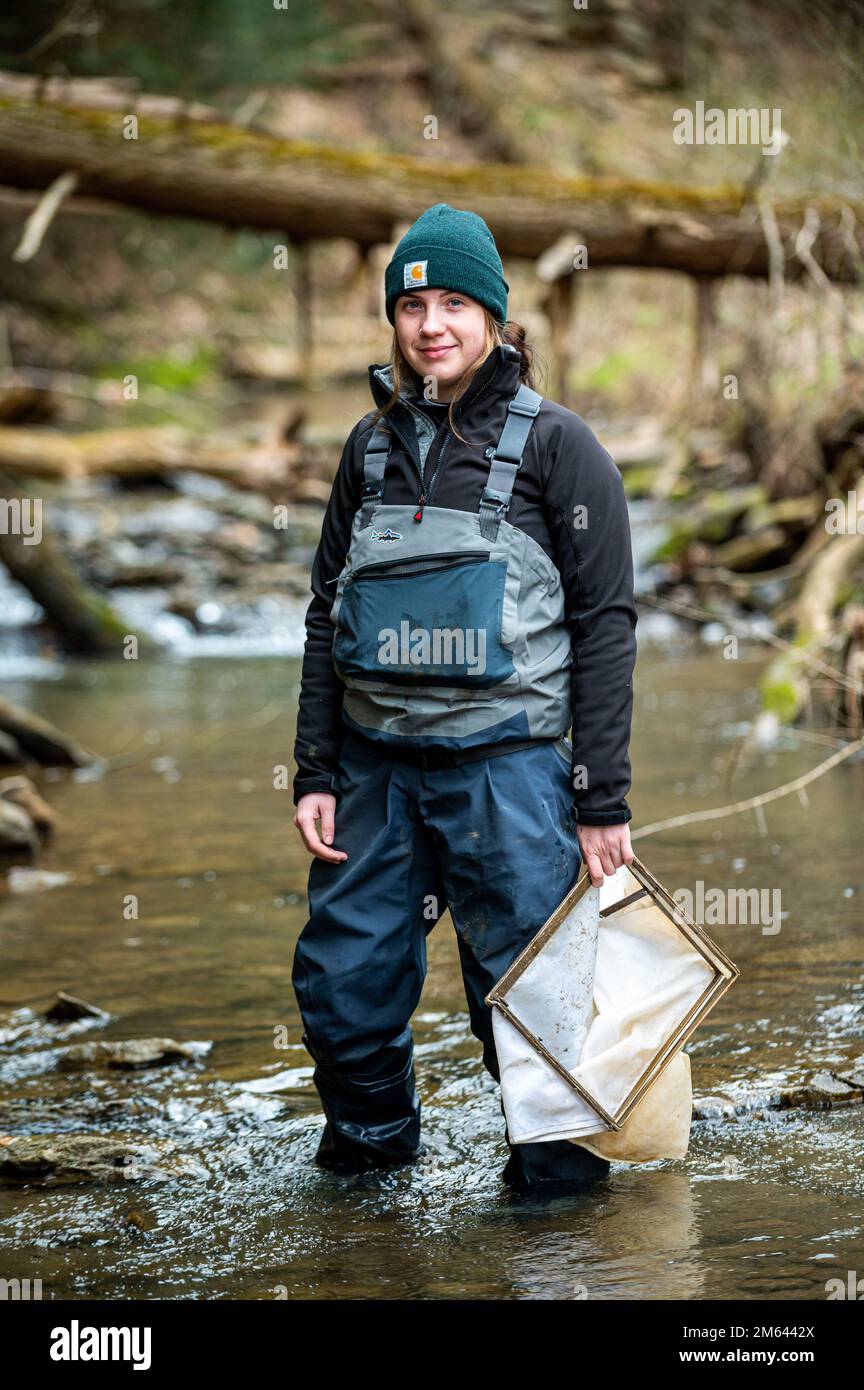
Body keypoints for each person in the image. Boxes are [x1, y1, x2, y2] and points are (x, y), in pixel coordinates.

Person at [290, 203, 637, 1188]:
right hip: (372, 773)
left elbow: (607, 620)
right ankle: (367, 1188)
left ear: (493, 315)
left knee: (535, 1011)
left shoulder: (561, 448)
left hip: (513, 773)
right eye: (413, 304)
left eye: (454, 302)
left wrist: (601, 794)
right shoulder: (365, 450)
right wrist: (316, 768)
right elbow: (326, 614)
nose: (430, 323)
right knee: (343, 989)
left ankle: (558, 1211)